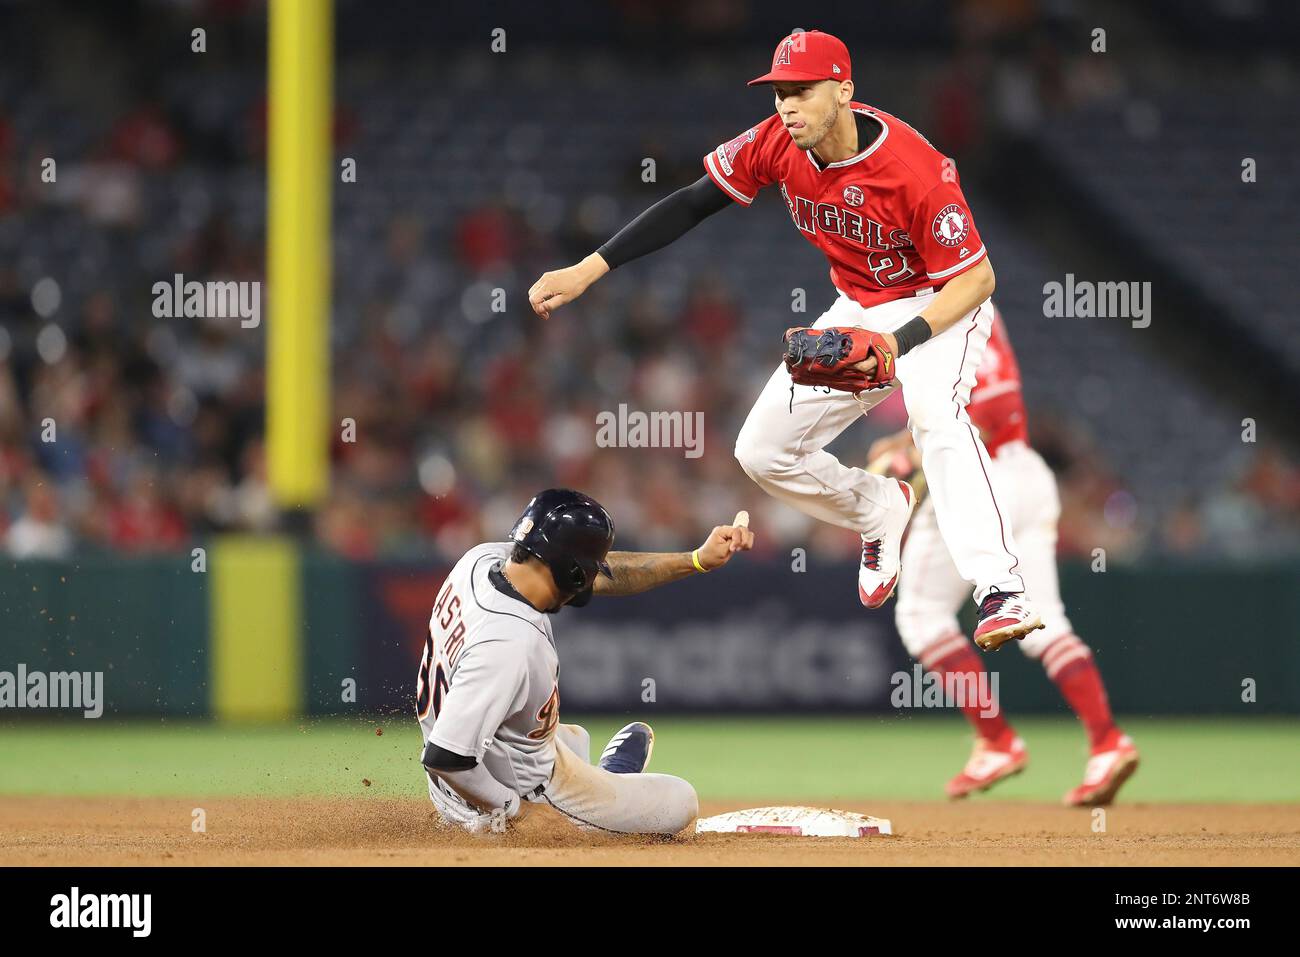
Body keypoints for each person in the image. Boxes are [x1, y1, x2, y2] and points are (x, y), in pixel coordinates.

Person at [529, 29, 1042, 651]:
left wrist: (898, 344)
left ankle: (1000, 588)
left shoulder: (912, 169)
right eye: (779, 93)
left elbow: (978, 279)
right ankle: (879, 508)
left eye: (802, 91)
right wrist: (587, 270)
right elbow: (693, 203)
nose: (787, 106)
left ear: (844, 90)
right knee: (761, 450)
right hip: (859, 303)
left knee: (937, 415)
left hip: (939, 304)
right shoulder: (777, 141)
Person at [869, 307, 1139, 805]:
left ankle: (997, 741)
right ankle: (1107, 742)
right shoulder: (976, 309)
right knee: (1048, 623)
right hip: (1027, 476)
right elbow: (977, 405)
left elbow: (982, 414)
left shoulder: (925, 324)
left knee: (922, 616)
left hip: (982, 479)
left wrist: (910, 457)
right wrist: (908, 443)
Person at [416, 488, 754, 833]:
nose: (595, 577)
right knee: (679, 801)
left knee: (574, 738)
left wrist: (696, 558)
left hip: (462, 776)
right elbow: (447, 757)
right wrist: (517, 811)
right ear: (574, 573)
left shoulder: (481, 560)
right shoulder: (509, 642)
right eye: (590, 571)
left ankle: (601, 782)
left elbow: (607, 572)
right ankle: (609, 781)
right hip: (496, 796)